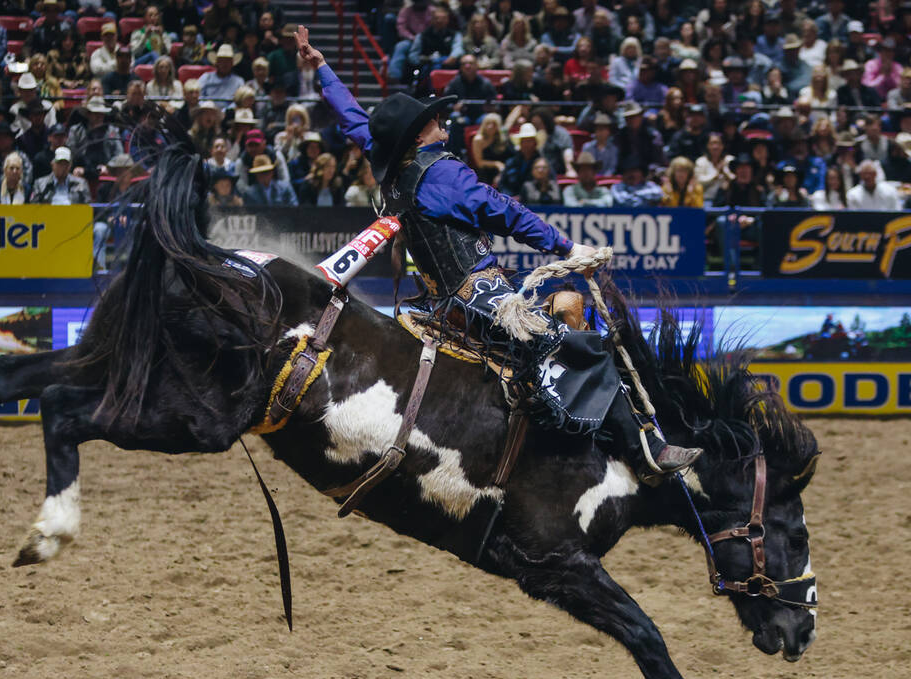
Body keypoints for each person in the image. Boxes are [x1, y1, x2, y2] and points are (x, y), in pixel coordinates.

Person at [295, 24, 700, 476]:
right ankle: (641, 449)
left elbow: (354, 119)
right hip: (475, 295)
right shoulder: (443, 176)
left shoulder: (386, 161)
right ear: (417, 134)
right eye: (432, 119)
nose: (440, 121)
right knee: (564, 332)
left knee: (565, 311)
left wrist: (324, 70)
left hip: (431, 299)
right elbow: (505, 211)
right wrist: (567, 246)